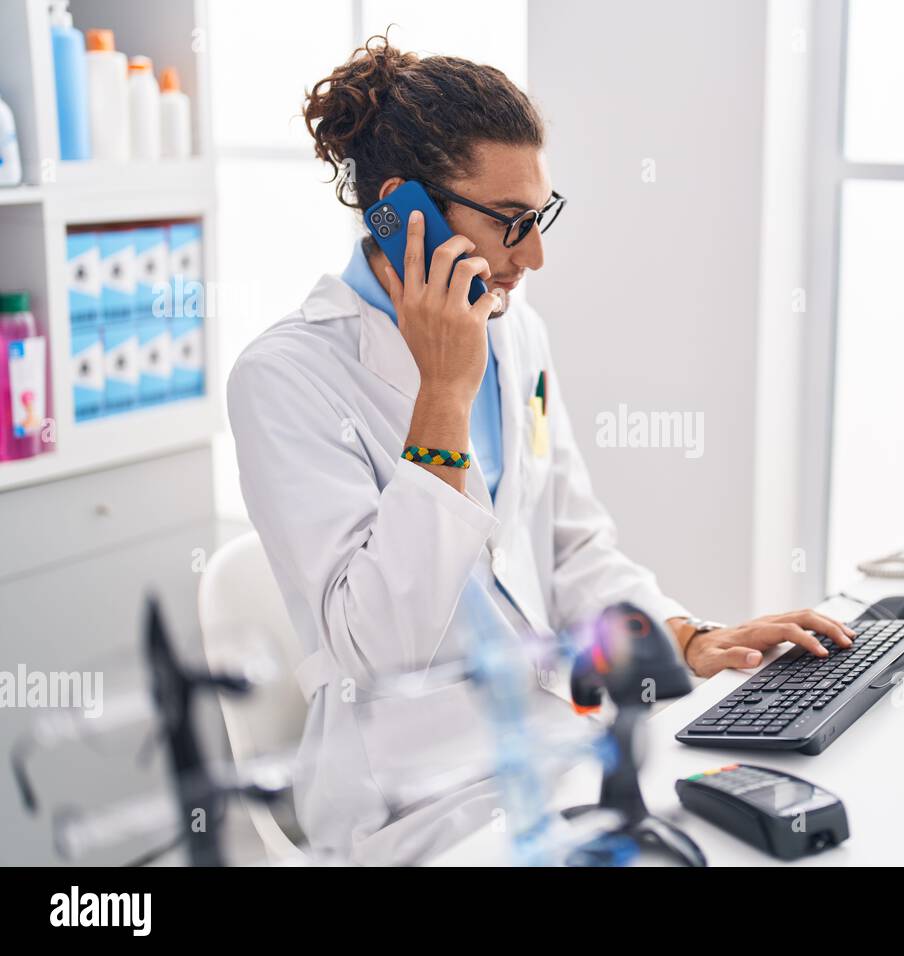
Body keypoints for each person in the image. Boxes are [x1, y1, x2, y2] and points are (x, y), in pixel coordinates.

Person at [227, 36, 851, 863]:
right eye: (512, 224)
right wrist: (443, 393)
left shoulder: (514, 330)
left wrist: (687, 637)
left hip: (554, 751)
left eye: (540, 215)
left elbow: (569, 549)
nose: (535, 256)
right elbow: (380, 647)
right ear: (399, 210)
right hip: (418, 804)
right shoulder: (285, 377)